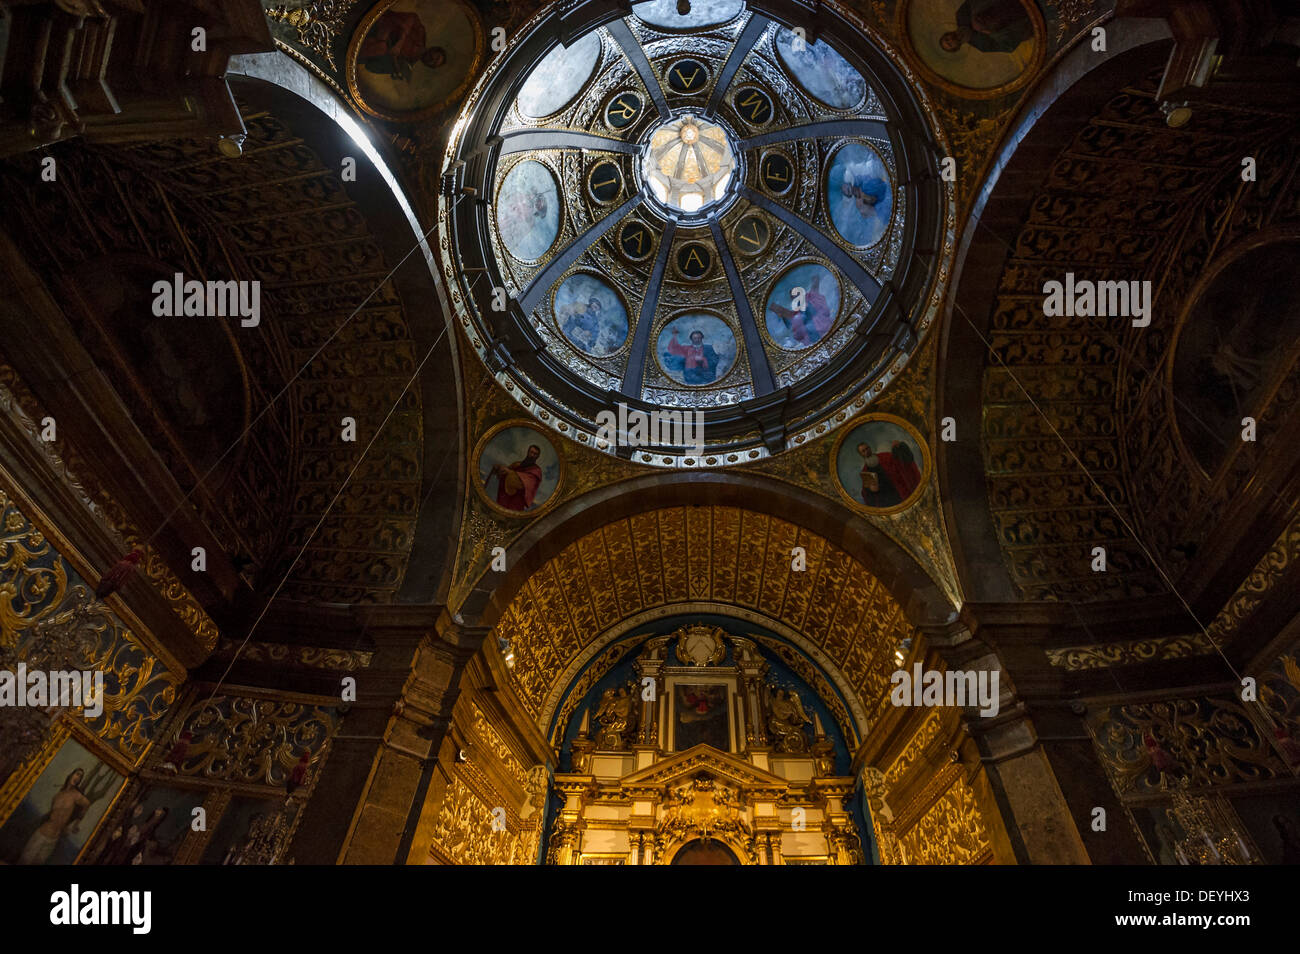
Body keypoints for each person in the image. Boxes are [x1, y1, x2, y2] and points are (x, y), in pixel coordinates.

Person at [17, 768, 91, 865]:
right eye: (77, 774)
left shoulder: (76, 795)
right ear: (71, 775)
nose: (78, 778)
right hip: (41, 834)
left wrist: (76, 824)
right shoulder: (58, 795)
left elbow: (87, 805)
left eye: (80, 777)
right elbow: (51, 815)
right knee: (24, 861)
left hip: (53, 840)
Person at [358, 10, 447, 82]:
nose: (432, 60)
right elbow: (412, 18)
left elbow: (371, 67)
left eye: (434, 63)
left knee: (379, 48)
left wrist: (393, 63)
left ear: (428, 66)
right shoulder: (420, 34)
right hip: (381, 22)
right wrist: (400, 42)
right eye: (437, 57)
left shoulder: (404, 65)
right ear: (434, 49)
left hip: (372, 43)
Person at [939, 0, 1034, 56]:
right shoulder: (982, 45)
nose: (951, 40)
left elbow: (972, 2)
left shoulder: (961, 16)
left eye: (947, 39)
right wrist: (991, 32)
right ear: (957, 47)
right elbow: (1008, 47)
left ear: (948, 33)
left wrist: (976, 16)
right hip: (1018, 19)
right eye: (950, 44)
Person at [490, 444, 544, 511]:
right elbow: (504, 473)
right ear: (528, 452)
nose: (532, 455)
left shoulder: (536, 471)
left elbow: (525, 483)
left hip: (517, 500)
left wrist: (509, 472)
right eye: (531, 452)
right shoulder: (517, 464)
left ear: (537, 456)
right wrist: (499, 468)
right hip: (505, 496)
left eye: (535, 454)